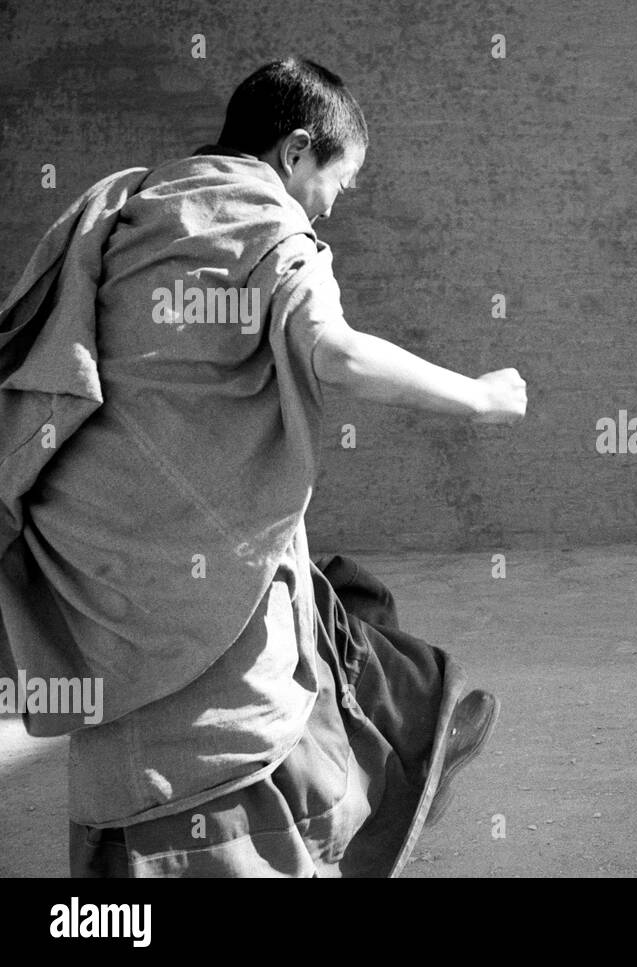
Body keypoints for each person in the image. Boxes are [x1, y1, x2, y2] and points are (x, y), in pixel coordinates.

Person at [0, 58, 526, 876]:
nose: (328, 211)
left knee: (310, 609)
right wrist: (482, 398)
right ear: (295, 151)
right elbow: (337, 353)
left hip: (95, 554)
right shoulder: (263, 220)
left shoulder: (135, 204)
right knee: (242, 713)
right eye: (335, 186)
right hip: (192, 573)